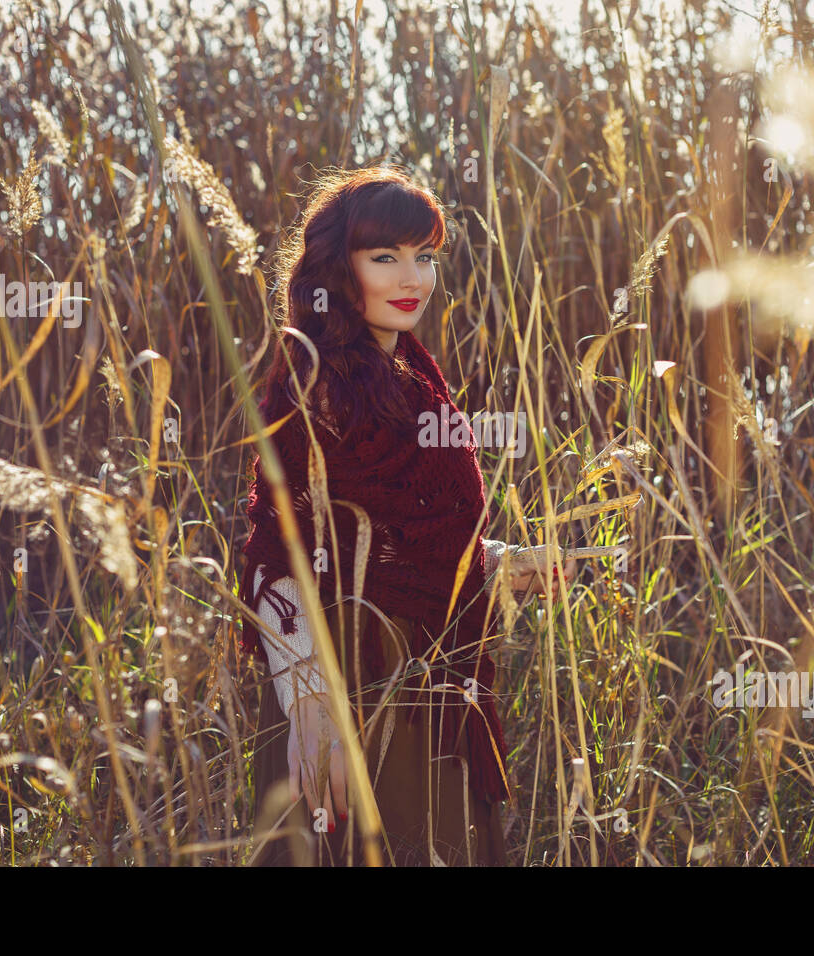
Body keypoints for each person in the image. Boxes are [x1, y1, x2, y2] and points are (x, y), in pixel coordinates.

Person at [237, 166, 575, 866]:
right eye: (384, 257)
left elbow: (404, 544)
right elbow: (277, 556)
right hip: (345, 679)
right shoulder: (312, 379)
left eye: (425, 255)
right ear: (339, 267)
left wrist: (501, 563)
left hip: (430, 682)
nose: (411, 276)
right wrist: (309, 708)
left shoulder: (417, 383)